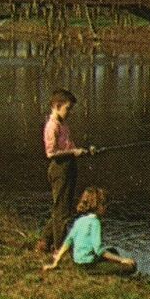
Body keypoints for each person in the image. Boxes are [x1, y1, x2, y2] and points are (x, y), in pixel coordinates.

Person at [41, 89, 92, 253]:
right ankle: (58, 248)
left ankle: (44, 240)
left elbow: (69, 146)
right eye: (67, 108)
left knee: (64, 207)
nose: (69, 112)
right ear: (56, 106)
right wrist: (73, 153)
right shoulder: (52, 126)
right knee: (61, 211)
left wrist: (83, 151)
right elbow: (51, 153)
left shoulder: (63, 124)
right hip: (59, 168)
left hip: (69, 166)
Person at [43, 187, 135, 272]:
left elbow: (68, 242)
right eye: (104, 205)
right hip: (89, 265)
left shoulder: (80, 220)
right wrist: (122, 259)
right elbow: (98, 250)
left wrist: (55, 263)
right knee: (131, 267)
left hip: (77, 263)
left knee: (112, 250)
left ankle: (111, 264)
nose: (106, 208)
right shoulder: (95, 222)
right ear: (97, 205)